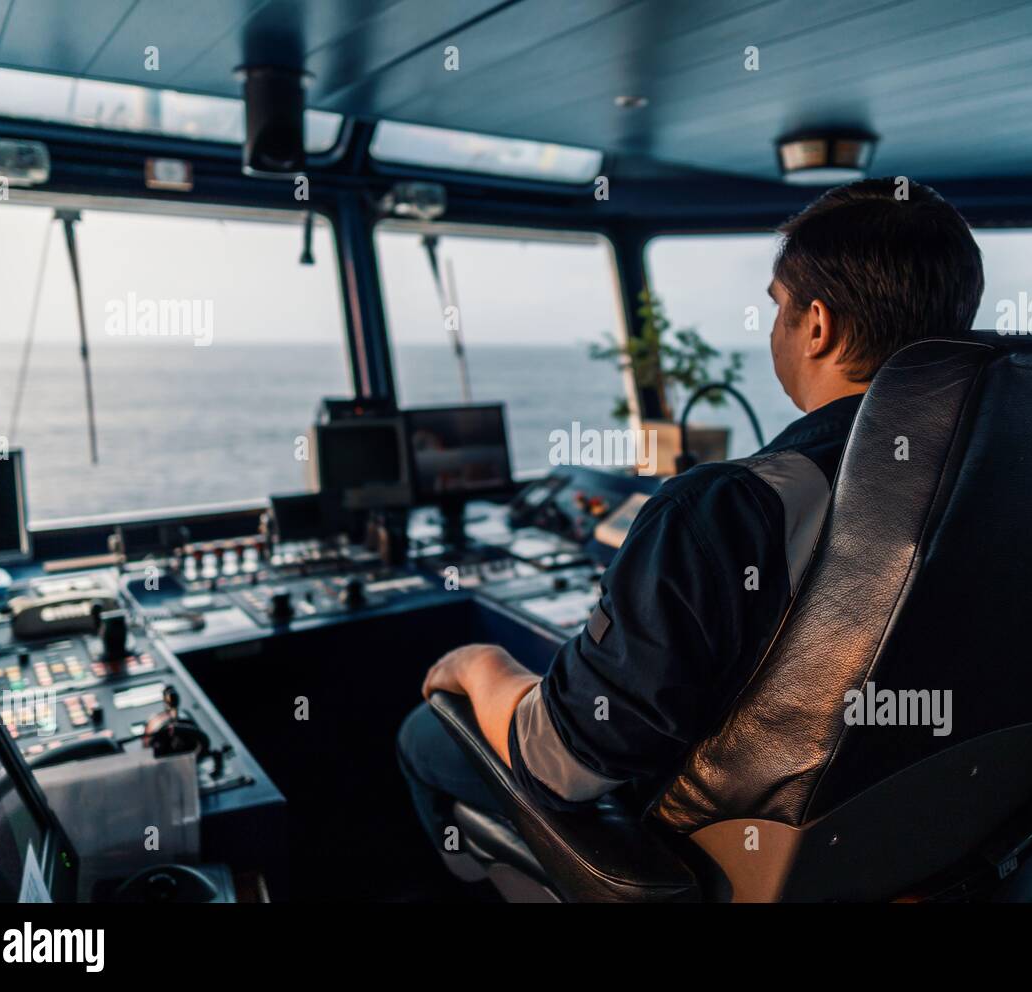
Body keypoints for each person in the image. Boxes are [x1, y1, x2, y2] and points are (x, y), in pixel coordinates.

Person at [398, 177, 985, 850]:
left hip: (724, 852)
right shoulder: (993, 481)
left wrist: (482, 665)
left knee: (426, 729)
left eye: (779, 308)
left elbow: (561, 763)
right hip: (926, 831)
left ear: (817, 327)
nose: (775, 328)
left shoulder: (725, 509)